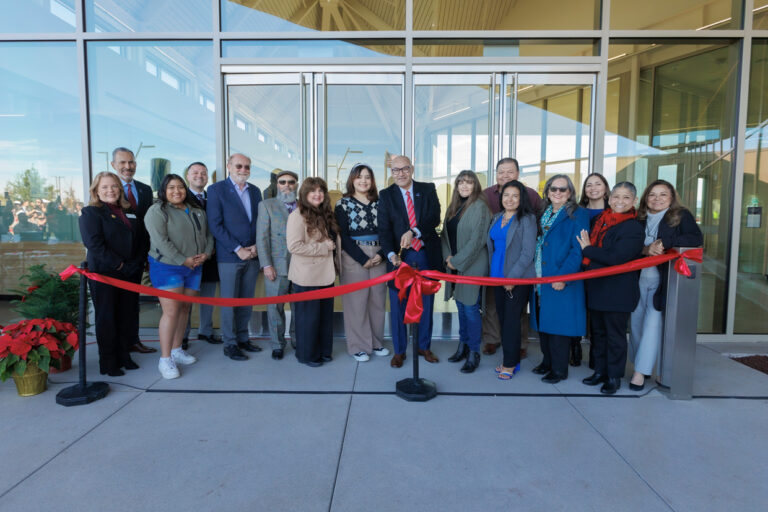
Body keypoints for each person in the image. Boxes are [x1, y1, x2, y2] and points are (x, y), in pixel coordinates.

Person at [629, 179, 703, 390]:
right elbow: (632, 245)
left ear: (671, 197)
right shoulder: (638, 217)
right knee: (635, 324)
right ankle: (642, 364)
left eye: (663, 194)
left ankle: (639, 373)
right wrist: (645, 250)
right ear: (645, 198)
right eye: (652, 194)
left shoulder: (680, 216)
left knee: (652, 324)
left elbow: (695, 237)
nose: (657, 198)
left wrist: (664, 243)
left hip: (662, 281)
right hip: (637, 280)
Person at [79, 172, 148, 376]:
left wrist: (138, 262)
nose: (110, 190)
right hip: (106, 274)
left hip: (130, 273)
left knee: (127, 316)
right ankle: (109, 362)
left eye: (114, 187)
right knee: (107, 318)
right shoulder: (90, 213)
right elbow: (94, 245)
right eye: (105, 187)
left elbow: (141, 239)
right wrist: (119, 265)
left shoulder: (129, 212)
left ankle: (124, 355)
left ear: (120, 189)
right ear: (96, 191)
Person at [577, 182, 645, 394]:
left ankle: (614, 377)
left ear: (633, 201)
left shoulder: (633, 227)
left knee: (615, 336)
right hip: (597, 287)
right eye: (616, 197)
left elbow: (616, 258)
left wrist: (588, 249)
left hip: (618, 291)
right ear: (609, 197)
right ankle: (600, 371)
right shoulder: (600, 220)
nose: (619, 202)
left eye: (626, 198)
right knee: (598, 333)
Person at [145, 174, 213, 379]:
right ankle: (165, 359)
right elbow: (160, 241)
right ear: (164, 191)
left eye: (180, 187)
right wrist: (182, 259)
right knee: (171, 311)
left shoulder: (196, 210)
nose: (177, 191)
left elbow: (208, 236)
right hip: (168, 267)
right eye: (171, 187)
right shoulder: (157, 211)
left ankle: (176, 350)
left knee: (185, 309)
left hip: (194, 266)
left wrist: (206, 254)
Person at [378, 155, 442, 368]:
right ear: (391, 173)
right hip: (400, 259)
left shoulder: (427, 189)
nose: (400, 174)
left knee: (426, 303)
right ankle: (399, 351)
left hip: (424, 255)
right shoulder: (386, 195)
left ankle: (424, 346)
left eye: (404, 169)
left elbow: (434, 217)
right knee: (398, 304)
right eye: (395, 170)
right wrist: (390, 254)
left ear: (412, 169)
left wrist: (414, 231)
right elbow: (384, 230)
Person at [530, 174, 590, 383]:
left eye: (562, 189)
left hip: (560, 278)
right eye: (553, 189)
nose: (557, 193)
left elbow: (577, 251)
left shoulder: (578, 214)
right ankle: (547, 362)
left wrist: (563, 277)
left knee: (559, 328)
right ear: (547, 192)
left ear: (570, 193)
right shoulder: (542, 213)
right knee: (544, 324)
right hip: (540, 277)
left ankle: (559, 369)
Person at [482, 157, 543, 357]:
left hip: (516, 272)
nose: (505, 175)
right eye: (501, 171)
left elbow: (528, 249)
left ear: (518, 174)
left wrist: (513, 277)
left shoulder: (529, 209)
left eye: (510, 171)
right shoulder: (496, 213)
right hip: (496, 269)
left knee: (515, 314)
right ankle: (497, 341)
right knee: (495, 308)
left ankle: (516, 349)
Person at [207, 153, 263, 361]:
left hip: (253, 254)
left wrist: (257, 246)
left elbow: (259, 222)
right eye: (239, 166)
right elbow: (215, 224)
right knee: (229, 302)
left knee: (246, 301)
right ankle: (229, 343)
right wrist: (237, 248)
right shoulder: (216, 190)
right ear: (229, 166)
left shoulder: (255, 191)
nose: (243, 170)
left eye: (247, 167)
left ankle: (242, 338)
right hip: (230, 256)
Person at [335, 164, 390, 362]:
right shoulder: (342, 204)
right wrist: (362, 258)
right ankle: (358, 346)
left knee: (377, 301)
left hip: (379, 254)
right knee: (355, 302)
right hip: (354, 255)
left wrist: (382, 254)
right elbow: (342, 235)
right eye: (359, 177)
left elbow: (389, 231)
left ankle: (376, 342)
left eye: (367, 177)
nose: (364, 181)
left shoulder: (381, 202)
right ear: (352, 180)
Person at [440, 170, 492, 373]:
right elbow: (444, 235)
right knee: (461, 306)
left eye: (469, 183)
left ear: (475, 186)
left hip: (473, 265)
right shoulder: (453, 207)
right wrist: (448, 259)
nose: (464, 186)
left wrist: (457, 262)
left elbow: (477, 241)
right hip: (454, 264)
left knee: (470, 308)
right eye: (461, 182)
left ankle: (473, 352)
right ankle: (462, 346)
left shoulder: (480, 207)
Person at [486, 180, 537, 380]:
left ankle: (509, 364)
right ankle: (511, 358)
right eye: (506, 195)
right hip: (496, 277)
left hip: (518, 278)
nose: (510, 199)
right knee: (504, 318)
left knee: (512, 321)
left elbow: (527, 253)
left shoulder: (527, 219)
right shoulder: (497, 217)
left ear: (521, 198)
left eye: (515, 195)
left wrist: (512, 277)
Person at [286, 177, 339, 367]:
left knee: (324, 318)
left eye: (320, 191)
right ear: (305, 194)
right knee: (308, 320)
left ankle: (324, 351)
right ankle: (307, 355)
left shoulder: (325, 214)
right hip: (306, 277)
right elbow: (294, 246)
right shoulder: (297, 215)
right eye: (312, 191)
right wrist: (323, 248)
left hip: (326, 274)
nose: (317, 194)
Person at [111, 146, 156, 354]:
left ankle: (133, 340)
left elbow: (147, 226)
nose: (127, 167)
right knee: (115, 305)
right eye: (122, 163)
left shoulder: (145, 189)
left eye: (131, 163)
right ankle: (117, 345)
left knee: (132, 303)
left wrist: (147, 256)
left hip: (138, 258)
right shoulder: (109, 189)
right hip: (115, 260)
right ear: (113, 165)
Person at [256, 169, 299, 360]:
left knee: (300, 308)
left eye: (291, 182)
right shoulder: (267, 205)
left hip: (301, 267)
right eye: (282, 182)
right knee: (275, 308)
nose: (287, 185)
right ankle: (277, 344)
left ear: (296, 184)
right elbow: (262, 237)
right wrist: (266, 265)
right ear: (277, 185)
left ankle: (298, 341)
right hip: (277, 266)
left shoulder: (305, 206)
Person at [182, 162, 221, 349]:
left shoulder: (212, 197)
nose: (200, 176)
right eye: (195, 172)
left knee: (208, 297)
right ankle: (183, 336)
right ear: (188, 176)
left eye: (203, 173)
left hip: (210, 256)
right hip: (188, 259)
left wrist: (208, 250)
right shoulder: (181, 197)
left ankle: (206, 331)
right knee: (186, 300)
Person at [576, 172, 611, 368]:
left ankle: (598, 360)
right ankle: (576, 348)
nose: (593, 188)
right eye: (589, 185)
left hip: (602, 270)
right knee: (580, 309)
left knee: (599, 318)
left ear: (606, 188)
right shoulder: (578, 211)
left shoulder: (613, 212)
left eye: (598, 184)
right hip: (579, 268)